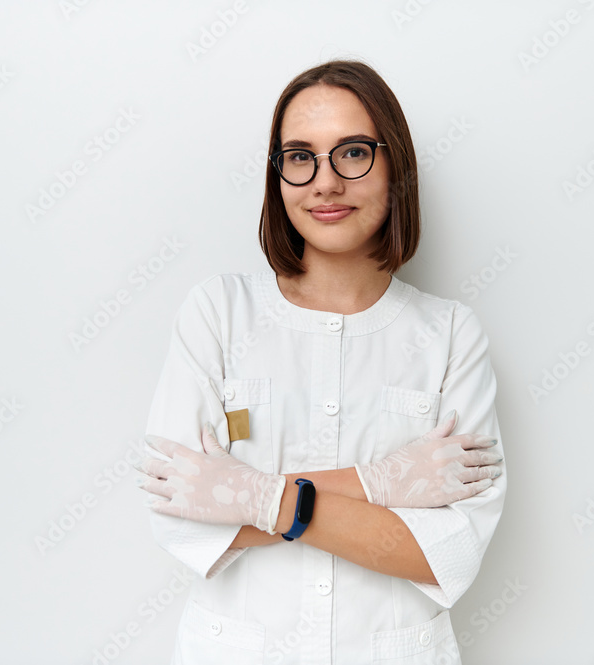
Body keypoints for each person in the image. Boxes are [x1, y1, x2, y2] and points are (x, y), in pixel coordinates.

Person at [135, 58, 506, 665]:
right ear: (277, 175)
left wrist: (244, 495)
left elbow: (449, 551)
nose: (325, 183)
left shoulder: (450, 335)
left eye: (353, 153)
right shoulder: (218, 313)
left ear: (395, 167)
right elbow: (183, 517)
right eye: (300, 156)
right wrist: (381, 483)